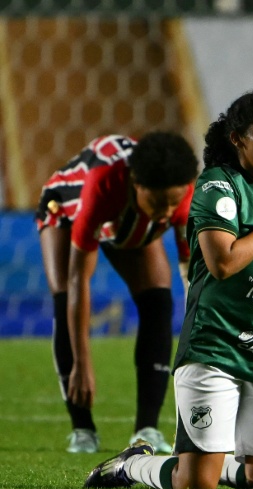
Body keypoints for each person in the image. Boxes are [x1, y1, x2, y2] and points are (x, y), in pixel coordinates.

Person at [83, 89, 253, 489]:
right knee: (194, 484)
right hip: (215, 347)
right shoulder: (216, 186)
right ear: (238, 138)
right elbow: (223, 263)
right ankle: (131, 465)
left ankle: (213, 463)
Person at [36, 132, 199, 454]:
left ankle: (146, 430)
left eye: (174, 202)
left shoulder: (180, 194)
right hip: (66, 209)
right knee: (64, 298)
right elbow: (79, 279)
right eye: (159, 202)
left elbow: (191, 274)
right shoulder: (103, 185)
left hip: (128, 217)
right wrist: (82, 363)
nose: (168, 211)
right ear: (137, 184)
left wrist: (199, 337)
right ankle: (83, 431)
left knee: (158, 301)